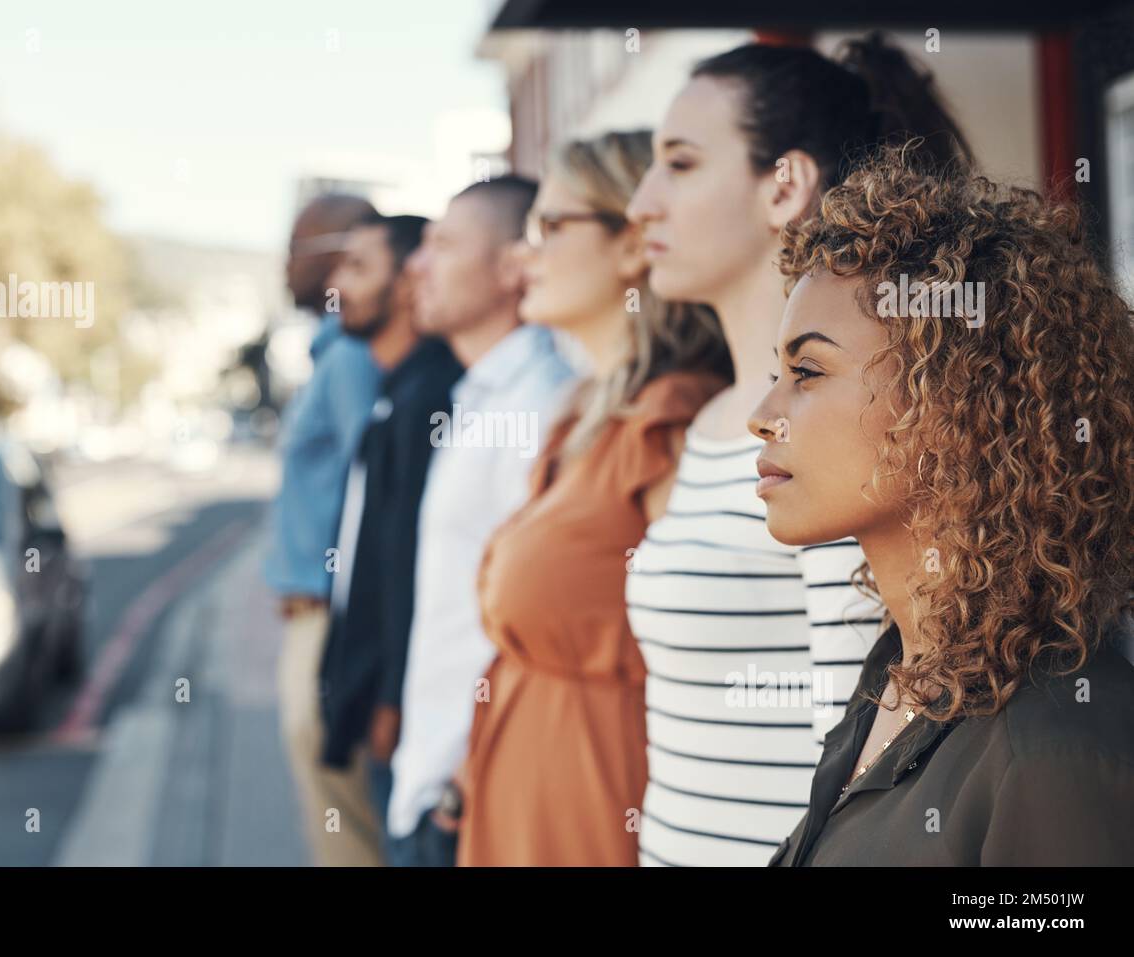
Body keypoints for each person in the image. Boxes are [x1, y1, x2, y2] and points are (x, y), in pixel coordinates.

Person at [622, 34, 974, 866]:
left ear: (785, 186)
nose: (641, 202)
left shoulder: (826, 430)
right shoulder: (714, 416)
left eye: (679, 163)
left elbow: (859, 755)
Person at [755, 147, 1134, 865]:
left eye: (806, 371)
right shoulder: (898, 673)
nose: (762, 413)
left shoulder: (1055, 752)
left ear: (951, 404)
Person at [456, 131, 732, 866]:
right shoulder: (583, 415)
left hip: (601, 805)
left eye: (550, 227)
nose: (523, 254)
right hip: (521, 799)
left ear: (632, 245)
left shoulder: (671, 421)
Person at [386, 175, 575, 867]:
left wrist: (464, 783)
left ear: (507, 269)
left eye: (441, 243)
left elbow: (536, 615)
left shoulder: (542, 404)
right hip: (431, 774)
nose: (417, 264)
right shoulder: (478, 394)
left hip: (465, 792)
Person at [318, 213, 464, 855]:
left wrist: (390, 698)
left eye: (359, 267)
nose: (337, 284)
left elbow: (414, 560)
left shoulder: (430, 393)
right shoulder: (395, 388)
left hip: (403, 708)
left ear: (405, 284)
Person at [264, 194, 384, 868]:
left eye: (295, 246)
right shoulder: (331, 353)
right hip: (314, 614)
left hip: (330, 621)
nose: (284, 264)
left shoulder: (350, 361)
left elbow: (374, 493)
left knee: (345, 834)